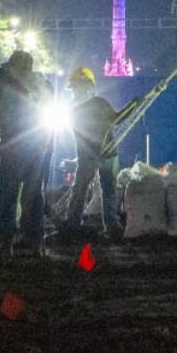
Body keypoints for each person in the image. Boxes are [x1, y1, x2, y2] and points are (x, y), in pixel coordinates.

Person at [0, 49, 53, 257]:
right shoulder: (43, 86)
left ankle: (6, 242)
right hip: (37, 147)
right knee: (34, 195)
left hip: (12, 146)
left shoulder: (4, 87)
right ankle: (37, 243)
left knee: (8, 194)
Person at [63, 68, 124, 237]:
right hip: (90, 154)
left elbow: (116, 119)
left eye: (79, 86)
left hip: (105, 153)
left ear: (89, 86)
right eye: (75, 87)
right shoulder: (76, 107)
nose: (77, 90)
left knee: (107, 189)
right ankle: (73, 223)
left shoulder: (98, 103)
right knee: (81, 189)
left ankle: (111, 226)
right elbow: (81, 133)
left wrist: (133, 106)